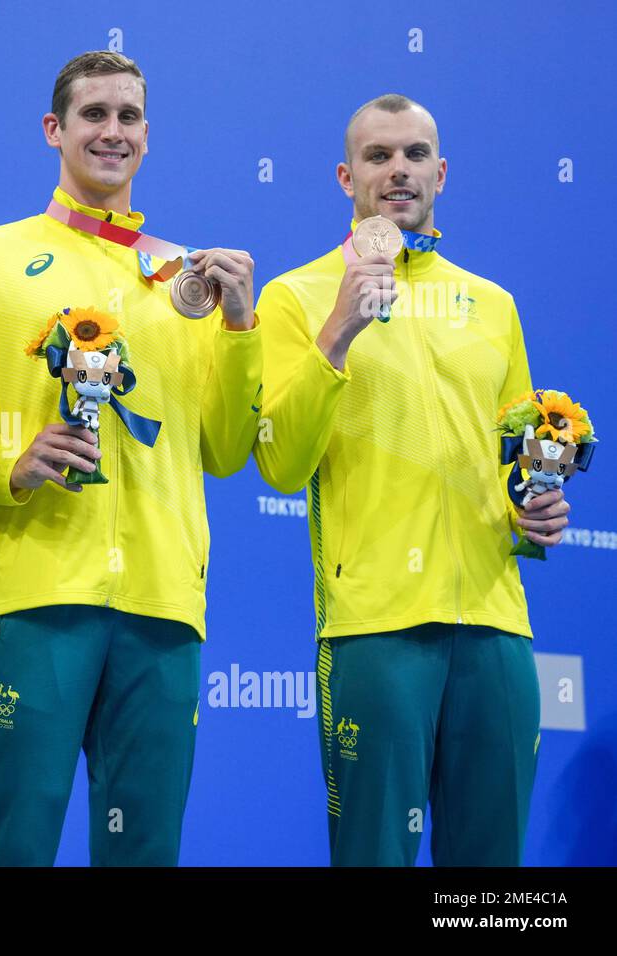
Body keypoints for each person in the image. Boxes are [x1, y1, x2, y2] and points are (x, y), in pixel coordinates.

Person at [0, 50, 263, 866]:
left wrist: (240, 328)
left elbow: (224, 449)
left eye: (127, 117)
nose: (111, 132)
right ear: (55, 130)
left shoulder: (185, 280)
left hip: (162, 604)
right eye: (93, 115)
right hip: (35, 590)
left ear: (148, 137)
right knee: (12, 845)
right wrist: (10, 461)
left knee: (144, 851)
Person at [253, 93, 569, 866]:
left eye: (415, 154)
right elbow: (280, 463)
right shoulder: (295, 297)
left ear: (442, 171)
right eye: (378, 156)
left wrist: (535, 508)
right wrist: (338, 330)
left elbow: (520, 454)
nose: (399, 170)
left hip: (496, 627)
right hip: (375, 629)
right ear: (345, 175)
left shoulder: (494, 304)